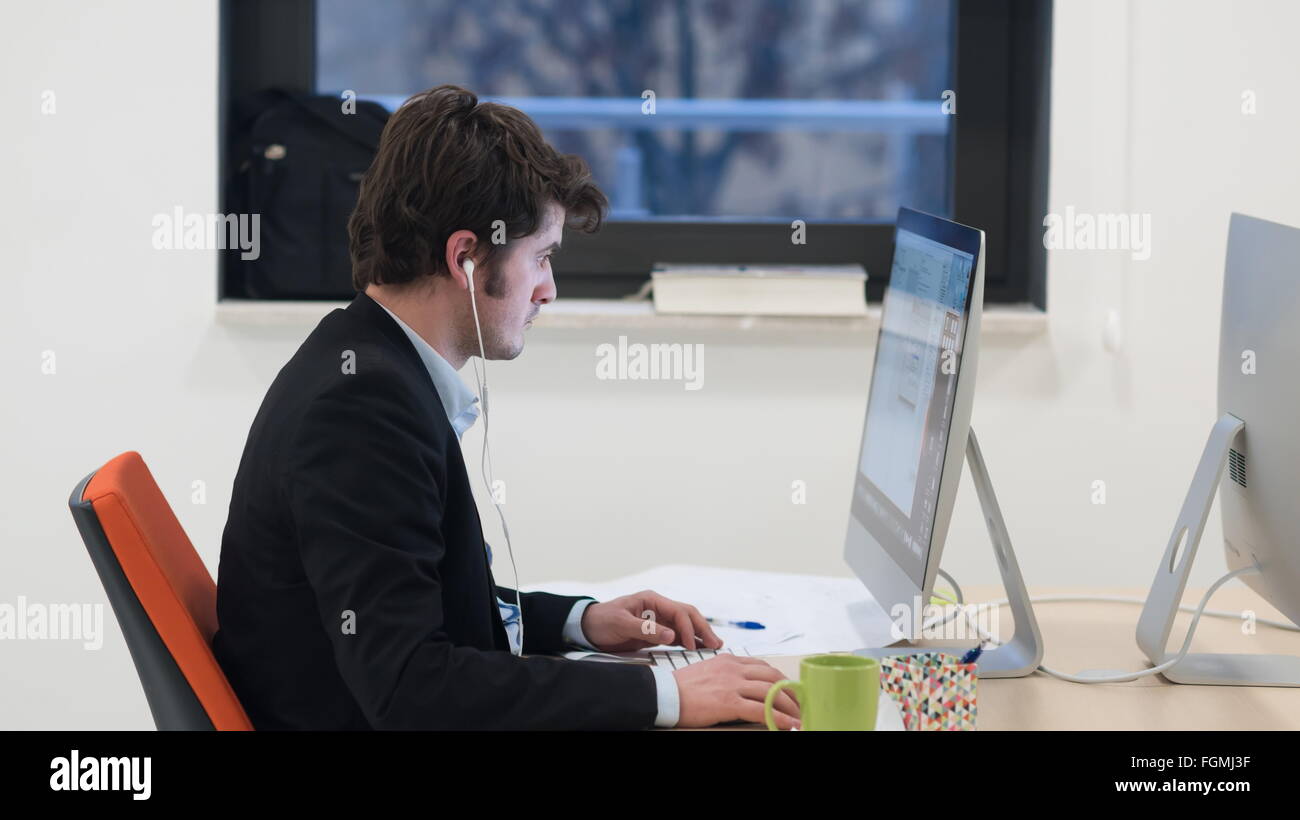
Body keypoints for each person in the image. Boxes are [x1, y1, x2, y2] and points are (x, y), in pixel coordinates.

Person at [212, 84, 801, 730]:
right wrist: (667, 699)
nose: (548, 291)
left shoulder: (361, 357)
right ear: (465, 257)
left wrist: (581, 621)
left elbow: (417, 602)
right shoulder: (361, 409)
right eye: (542, 258)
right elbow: (412, 687)